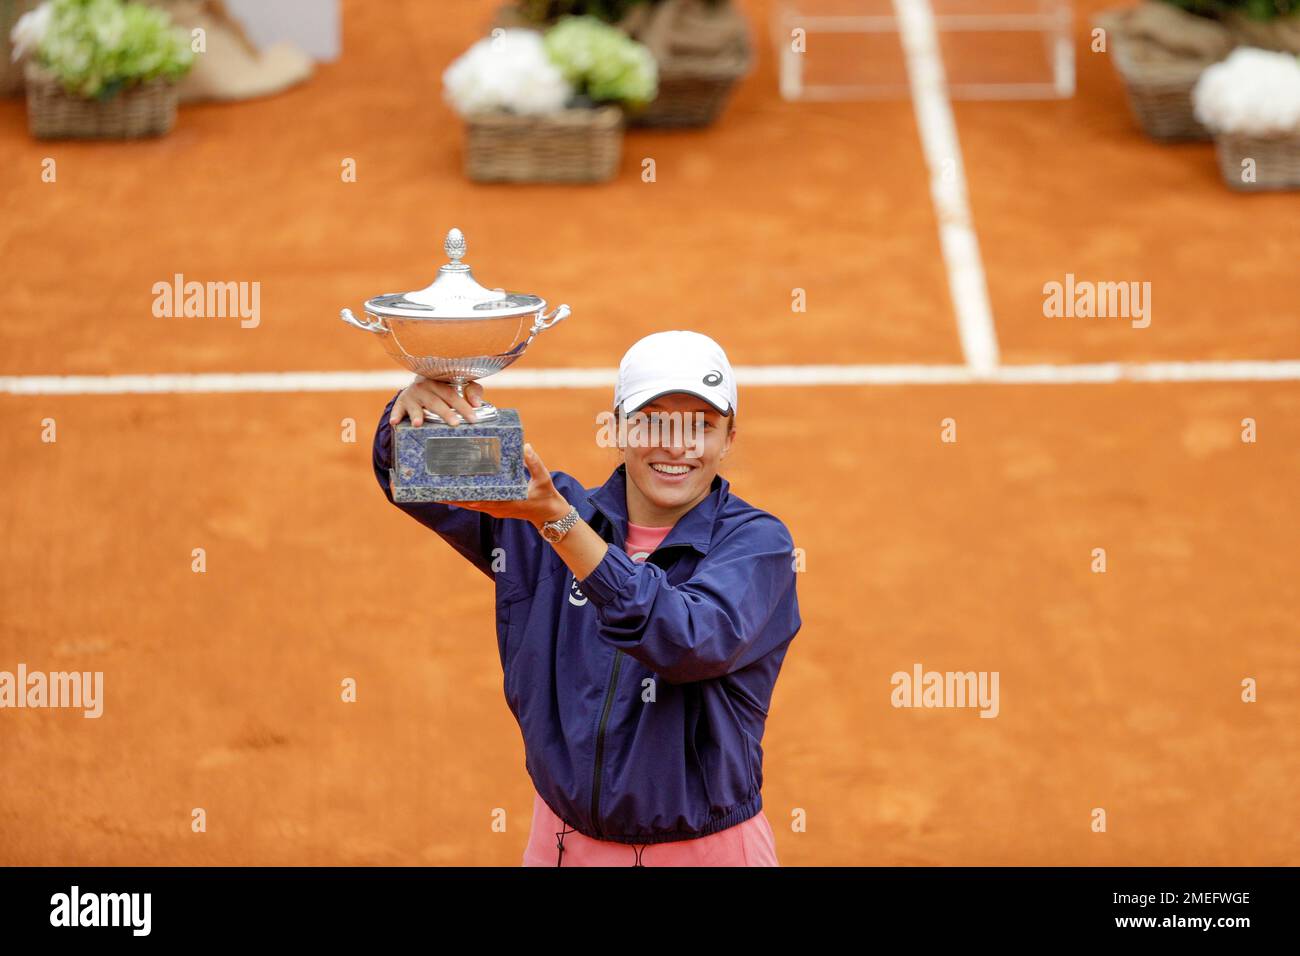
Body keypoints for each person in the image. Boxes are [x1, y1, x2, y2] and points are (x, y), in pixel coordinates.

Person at [371, 330, 802, 866]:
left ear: (729, 438)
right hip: (562, 846)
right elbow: (413, 476)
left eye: (702, 426)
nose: (677, 444)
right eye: (653, 420)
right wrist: (415, 411)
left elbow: (684, 640)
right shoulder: (539, 511)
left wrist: (559, 522)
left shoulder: (759, 545)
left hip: (704, 853)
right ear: (618, 427)